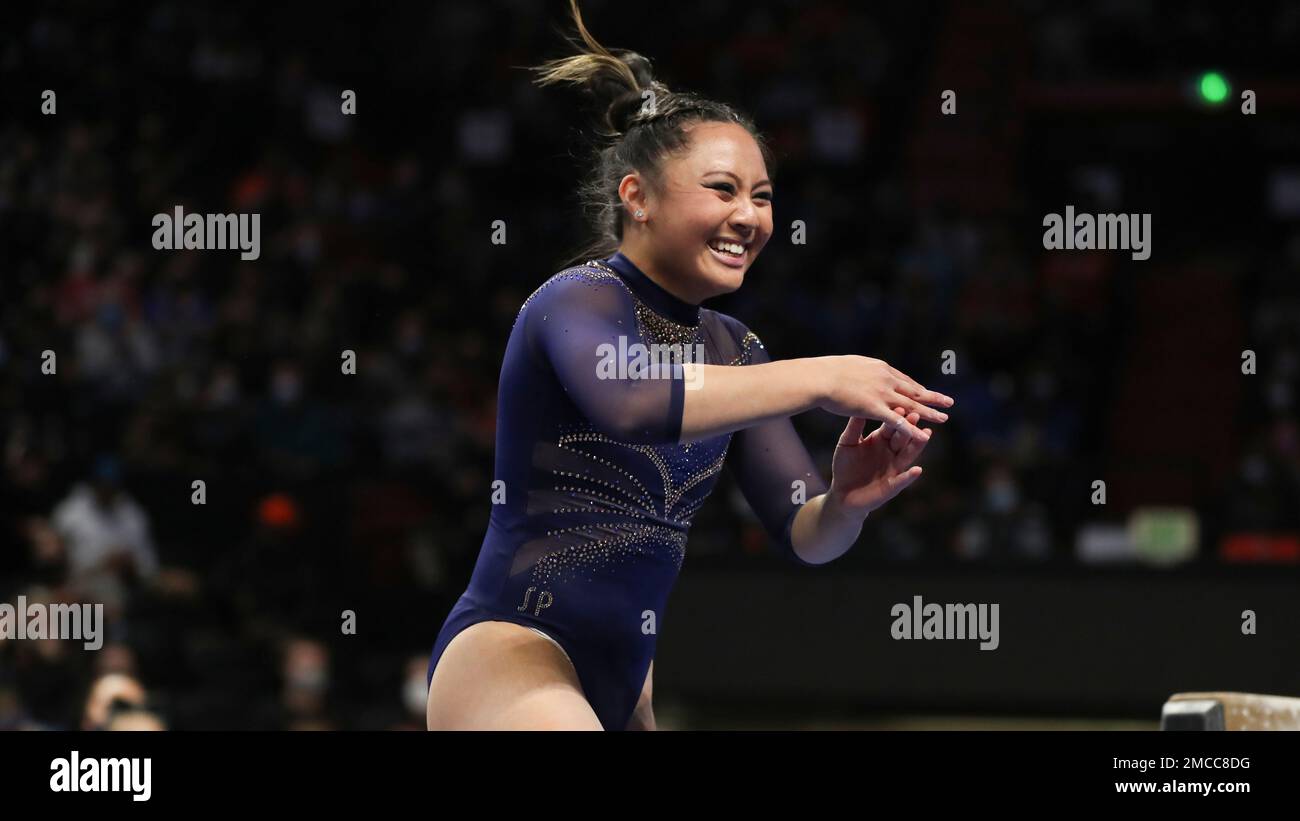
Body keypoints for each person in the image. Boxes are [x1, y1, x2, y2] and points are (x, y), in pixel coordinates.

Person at [425, 0, 953, 731]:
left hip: (627, 681)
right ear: (636, 197)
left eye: (763, 197)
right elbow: (634, 400)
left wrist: (843, 503)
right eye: (724, 189)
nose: (750, 217)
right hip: (514, 651)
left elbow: (804, 537)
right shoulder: (575, 303)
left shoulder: (734, 351)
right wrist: (824, 375)